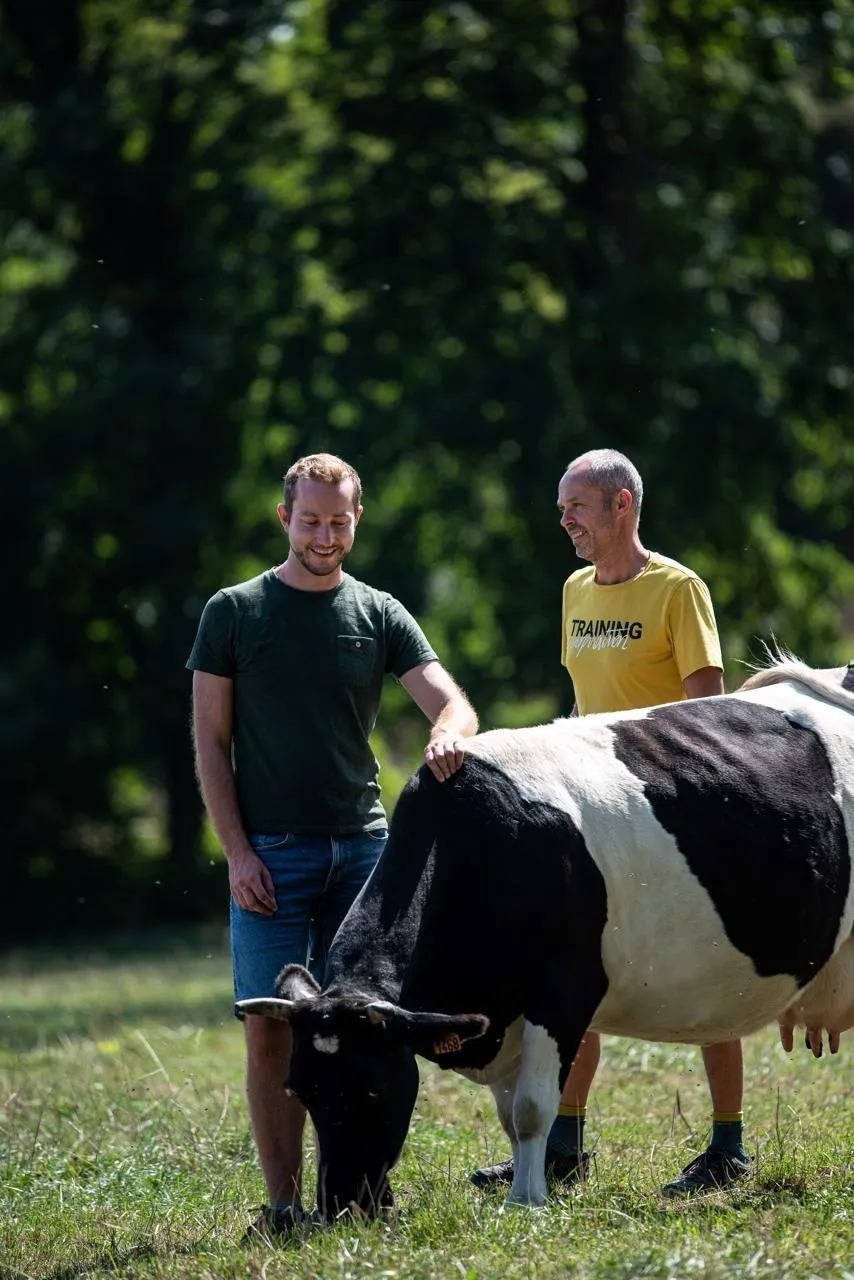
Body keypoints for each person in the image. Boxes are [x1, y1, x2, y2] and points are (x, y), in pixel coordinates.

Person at [188, 453, 478, 1243]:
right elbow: (211, 744)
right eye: (311, 520)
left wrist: (448, 734)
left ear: (357, 519)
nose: (326, 535)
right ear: (285, 519)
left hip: (364, 852)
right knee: (269, 1026)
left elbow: (450, 701)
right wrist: (238, 852)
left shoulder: (379, 613)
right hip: (269, 858)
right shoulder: (235, 612)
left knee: (369, 1028)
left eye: (339, 521)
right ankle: (284, 1207)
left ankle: (361, 1193)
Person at [471, 448, 749, 1198]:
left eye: (577, 508)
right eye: (563, 508)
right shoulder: (573, 590)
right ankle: (563, 1147)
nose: (564, 521)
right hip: (594, 812)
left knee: (707, 973)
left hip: (669, 815)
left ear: (622, 505)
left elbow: (707, 712)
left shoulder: (677, 589)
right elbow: (583, 708)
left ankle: (730, 1145)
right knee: (571, 970)